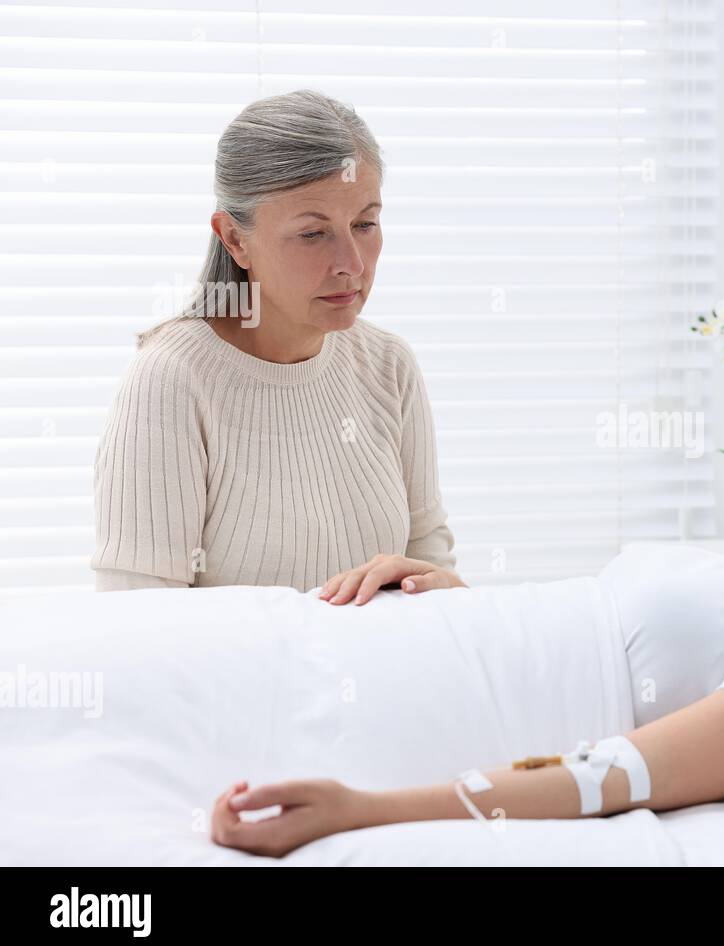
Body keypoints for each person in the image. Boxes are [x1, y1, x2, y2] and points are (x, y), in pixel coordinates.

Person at [210, 418, 724, 857]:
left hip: (431, 709)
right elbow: (592, 624)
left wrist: (366, 812)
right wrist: (456, 596)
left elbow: (615, 775)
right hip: (399, 636)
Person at [90, 90, 458, 593]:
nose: (351, 262)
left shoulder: (389, 366)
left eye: (365, 224)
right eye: (313, 234)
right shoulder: (171, 380)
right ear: (235, 239)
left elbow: (441, 585)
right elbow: (139, 630)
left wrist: (433, 588)